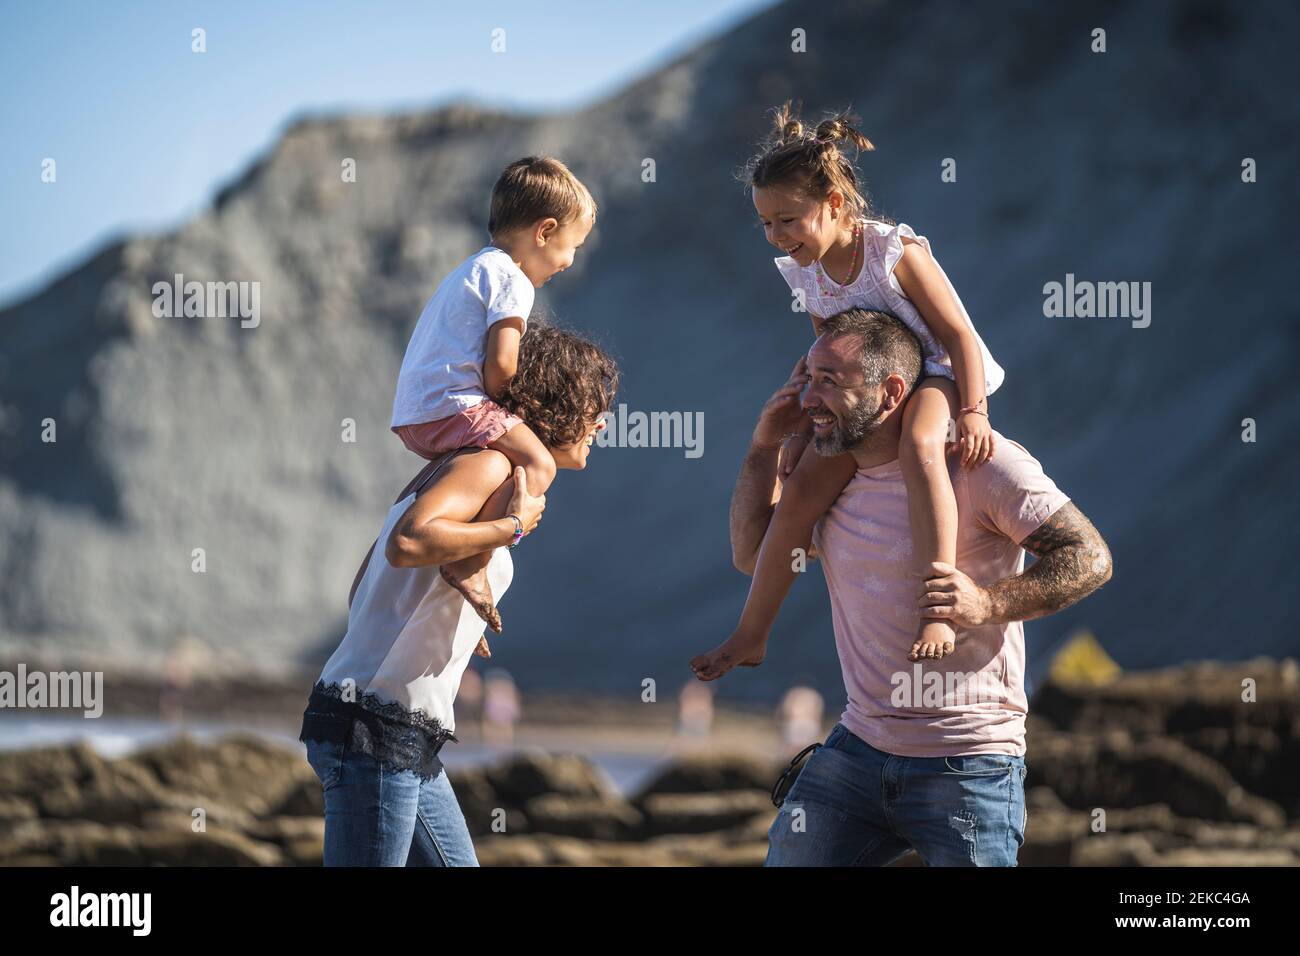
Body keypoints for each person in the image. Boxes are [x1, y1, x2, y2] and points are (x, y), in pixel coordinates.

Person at [710, 308, 1112, 866]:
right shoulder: (828, 476)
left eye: (830, 382)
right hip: (857, 748)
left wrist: (986, 602)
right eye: (808, 379)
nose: (808, 401)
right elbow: (753, 554)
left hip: (968, 761)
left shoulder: (982, 465)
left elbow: (1089, 557)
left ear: (891, 391)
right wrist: (761, 450)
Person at [691, 102, 1003, 675]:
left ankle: (938, 606)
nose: (776, 236)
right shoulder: (805, 270)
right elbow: (827, 355)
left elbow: (959, 334)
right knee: (801, 493)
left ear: (834, 204)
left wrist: (974, 411)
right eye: (765, 223)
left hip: (937, 372)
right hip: (867, 393)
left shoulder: (893, 252)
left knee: (920, 449)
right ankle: (751, 633)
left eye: (788, 219)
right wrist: (804, 429)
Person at [300, 323, 618, 866]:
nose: (603, 421)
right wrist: (512, 527)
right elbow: (406, 543)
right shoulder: (488, 464)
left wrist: (446, 626)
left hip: (400, 735)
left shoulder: (458, 467)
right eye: (594, 404)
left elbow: (367, 587)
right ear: (557, 401)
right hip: (376, 732)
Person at [390, 156, 597, 634]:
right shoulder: (513, 279)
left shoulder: (472, 268)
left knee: (507, 461)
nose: (569, 262)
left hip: (419, 411)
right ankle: (471, 561)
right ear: (545, 231)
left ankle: (463, 559)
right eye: (573, 247)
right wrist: (512, 408)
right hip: (457, 403)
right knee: (540, 464)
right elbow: (503, 362)